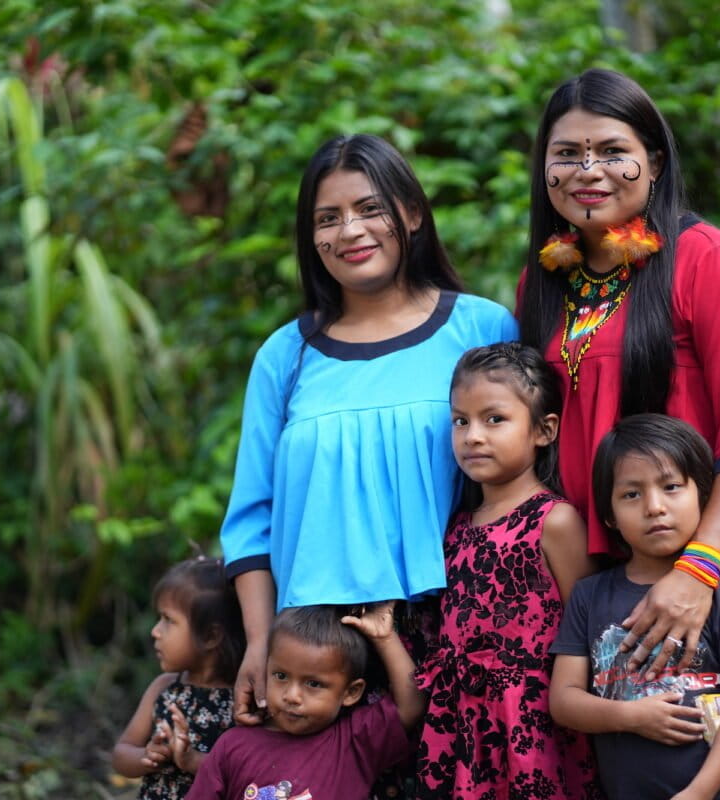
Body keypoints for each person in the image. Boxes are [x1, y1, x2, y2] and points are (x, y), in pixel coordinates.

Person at [219, 134, 518, 726]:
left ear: (412, 213)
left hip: (463, 629)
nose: (349, 230)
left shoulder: (482, 328)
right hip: (318, 655)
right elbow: (252, 519)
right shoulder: (285, 356)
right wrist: (259, 643)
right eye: (327, 218)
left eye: (369, 208)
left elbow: (525, 484)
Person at [517, 68, 720, 673]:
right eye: (567, 154)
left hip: (702, 569)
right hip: (591, 576)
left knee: (704, 729)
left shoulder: (708, 261)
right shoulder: (541, 281)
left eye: (613, 151)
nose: (588, 170)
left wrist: (697, 570)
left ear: (655, 162)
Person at [550, 414, 720, 799]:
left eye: (671, 487)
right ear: (609, 515)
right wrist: (630, 716)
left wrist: (698, 793)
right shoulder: (590, 596)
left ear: (703, 496)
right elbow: (563, 700)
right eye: (631, 494)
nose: (654, 507)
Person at [415, 342, 601, 799]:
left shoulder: (554, 521)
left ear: (543, 430)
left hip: (532, 724)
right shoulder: (454, 526)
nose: (472, 436)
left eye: (494, 419)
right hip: (460, 724)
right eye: (460, 421)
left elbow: (590, 632)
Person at [186, 603, 425, 800]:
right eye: (280, 676)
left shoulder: (355, 741)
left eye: (313, 683)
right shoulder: (233, 746)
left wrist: (385, 639)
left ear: (351, 692)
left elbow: (411, 706)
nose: (292, 696)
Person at [113, 557, 245, 799]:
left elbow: (247, 775)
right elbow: (122, 754)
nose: (155, 631)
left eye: (168, 620)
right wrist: (146, 756)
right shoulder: (164, 687)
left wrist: (193, 760)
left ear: (210, 636)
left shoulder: (244, 701)